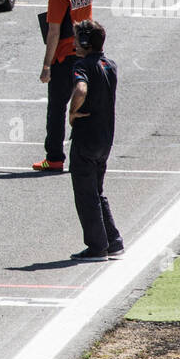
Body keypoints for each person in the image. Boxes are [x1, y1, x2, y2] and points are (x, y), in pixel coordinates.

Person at [66, 19, 122, 262]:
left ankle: (97, 246)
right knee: (97, 191)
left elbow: (80, 90)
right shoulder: (110, 65)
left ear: (87, 42)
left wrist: (71, 112)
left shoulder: (83, 66)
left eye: (78, 38)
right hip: (105, 137)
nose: (75, 42)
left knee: (85, 193)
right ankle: (113, 241)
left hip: (86, 137)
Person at [35, 0, 94, 172]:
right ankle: (83, 153)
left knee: (57, 108)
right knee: (85, 105)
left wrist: (46, 65)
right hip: (87, 56)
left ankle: (55, 157)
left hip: (64, 58)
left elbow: (54, 31)